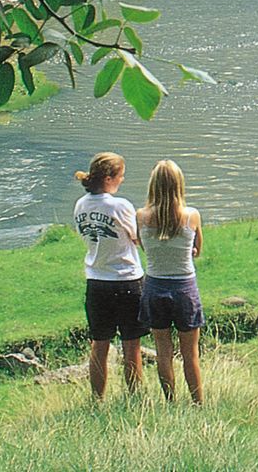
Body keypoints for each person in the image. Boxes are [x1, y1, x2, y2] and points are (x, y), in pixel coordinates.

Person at [73, 151, 146, 399]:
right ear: (108, 177)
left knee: (99, 345)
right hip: (126, 278)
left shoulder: (81, 205)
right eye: (120, 176)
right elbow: (137, 238)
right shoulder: (120, 205)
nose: (122, 180)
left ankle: (97, 399)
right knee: (131, 345)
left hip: (96, 280)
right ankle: (135, 398)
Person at [136, 159, 205, 403]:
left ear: (152, 185)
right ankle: (198, 402)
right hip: (184, 287)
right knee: (190, 354)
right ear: (179, 185)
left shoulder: (141, 216)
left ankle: (170, 400)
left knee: (163, 352)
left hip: (154, 286)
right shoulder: (191, 215)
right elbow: (197, 249)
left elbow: (144, 247)